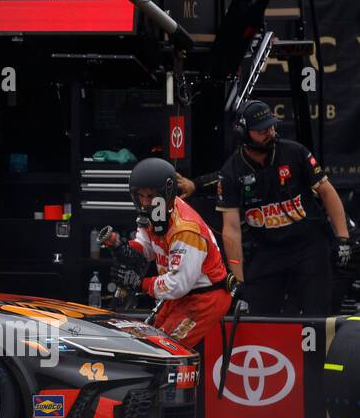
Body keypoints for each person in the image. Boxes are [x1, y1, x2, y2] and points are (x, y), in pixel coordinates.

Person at [216, 100, 352, 317]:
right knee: (257, 313)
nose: (270, 132)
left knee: (316, 315)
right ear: (244, 133)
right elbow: (231, 228)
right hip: (268, 250)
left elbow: (327, 191)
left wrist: (343, 238)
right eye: (262, 130)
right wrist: (238, 278)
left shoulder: (295, 152)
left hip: (308, 245)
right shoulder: (231, 171)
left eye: (271, 126)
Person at [101, 158, 231, 347]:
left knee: (165, 349)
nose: (145, 202)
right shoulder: (156, 212)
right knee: (146, 341)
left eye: (151, 196)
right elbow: (146, 248)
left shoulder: (186, 230)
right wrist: (122, 248)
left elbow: (179, 284)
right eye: (141, 196)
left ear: (165, 193)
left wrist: (139, 283)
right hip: (179, 295)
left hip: (204, 298)